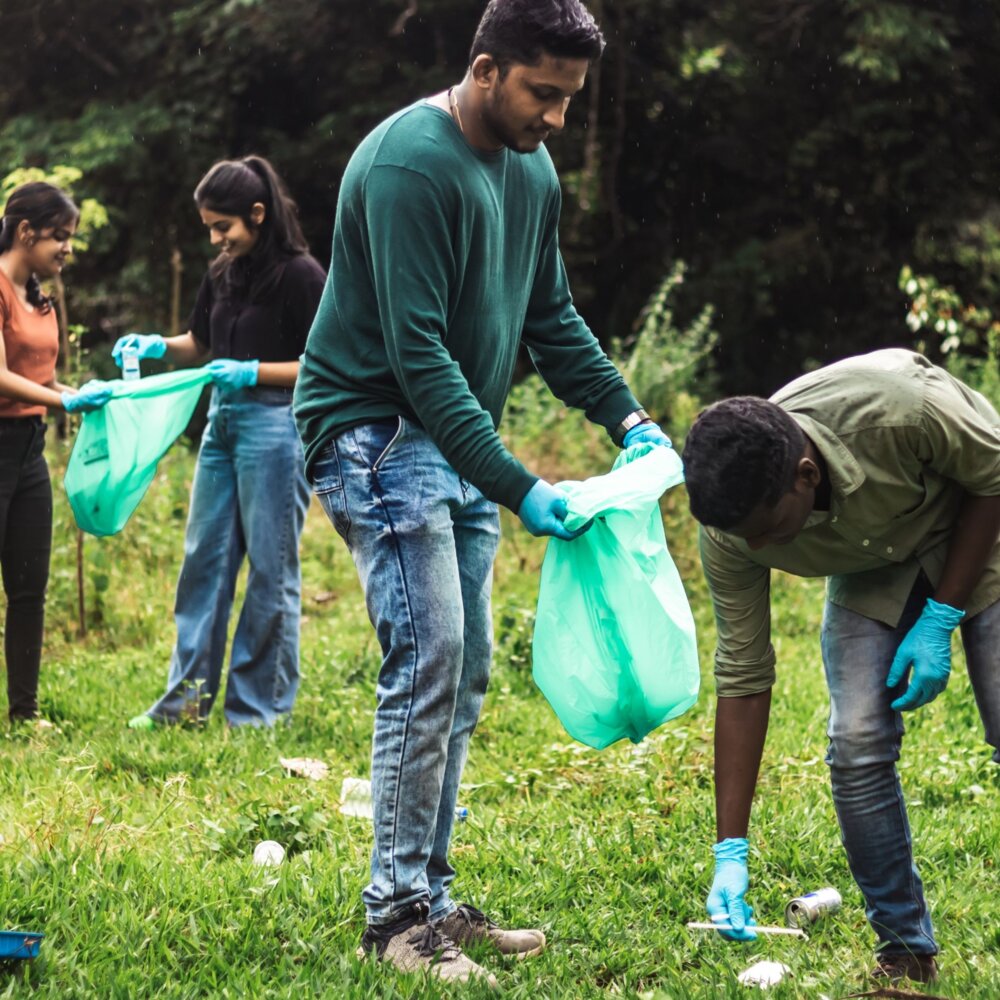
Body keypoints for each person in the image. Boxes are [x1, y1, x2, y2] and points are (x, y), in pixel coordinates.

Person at [295, 0, 671, 986]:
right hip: (373, 430)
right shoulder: (410, 167)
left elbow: (548, 314)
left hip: (448, 439)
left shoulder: (530, 168)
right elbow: (417, 357)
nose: (555, 116)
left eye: (569, 98)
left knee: (463, 674)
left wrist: (626, 416)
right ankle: (393, 920)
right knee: (432, 657)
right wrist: (517, 484)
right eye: (542, 93)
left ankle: (430, 895)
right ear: (486, 67)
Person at [681, 349, 1000, 985]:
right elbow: (743, 673)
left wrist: (941, 616)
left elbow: (996, 477)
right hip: (872, 566)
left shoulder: (901, 408)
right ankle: (905, 954)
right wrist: (730, 848)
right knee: (855, 740)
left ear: (806, 475)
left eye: (772, 530)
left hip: (981, 528)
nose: (763, 550)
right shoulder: (733, 528)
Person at [114, 156, 325, 729]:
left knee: (269, 569)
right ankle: (184, 705)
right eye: (209, 226)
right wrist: (156, 344)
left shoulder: (303, 275)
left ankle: (255, 709)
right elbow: (198, 342)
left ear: (257, 215)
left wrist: (253, 371)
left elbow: (322, 368)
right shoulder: (222, 271)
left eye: (223, 226)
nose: (215, 237)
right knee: (202, 564)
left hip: (277, 428)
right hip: (222, 425)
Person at [0, 181, 112, 725]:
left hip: (29, 452)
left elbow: (40, 376)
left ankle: (25, 712)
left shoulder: (36, 295)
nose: (67, 247)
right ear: (25, 231)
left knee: (29, 588)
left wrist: (73, 394)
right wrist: (65, 399)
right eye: (59, 237)